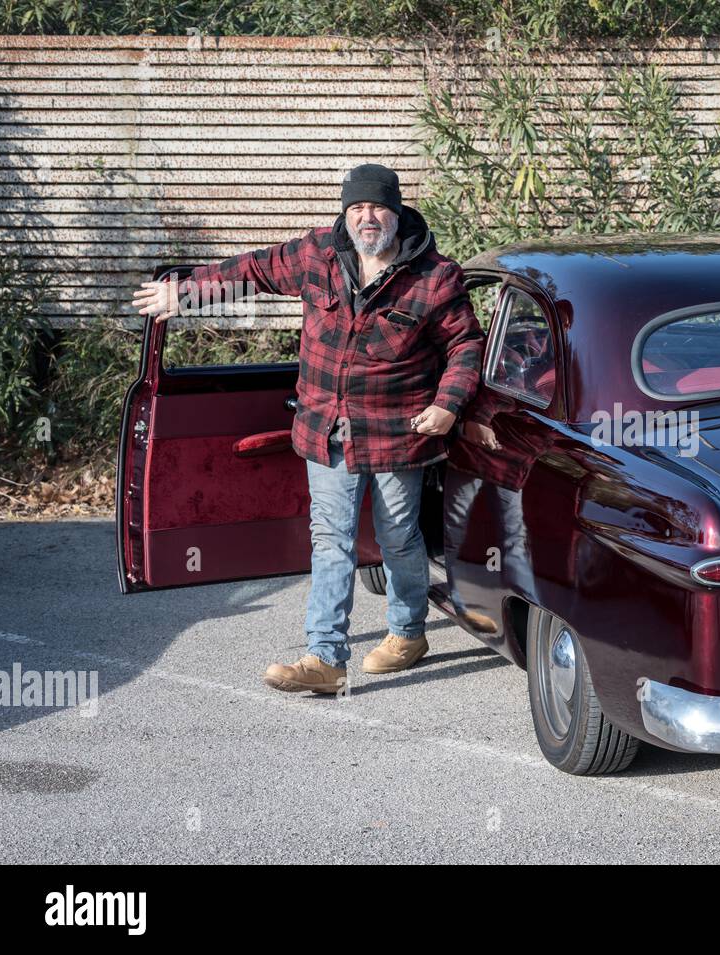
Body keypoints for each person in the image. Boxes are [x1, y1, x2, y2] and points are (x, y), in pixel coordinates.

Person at [132, 163, 484, 691]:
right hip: (328, 429)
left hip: (397, 432)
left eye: (378, 207)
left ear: (397, 210)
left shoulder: (435, 276)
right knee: (332, 538)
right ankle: (325, 657)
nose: (368, 217)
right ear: (345, 211)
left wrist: (448, 405)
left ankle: (408, 631)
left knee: (399, 539)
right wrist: (184, 293)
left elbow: (465, 346)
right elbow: (248, 271)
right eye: (357, 207)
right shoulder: (317, 254)